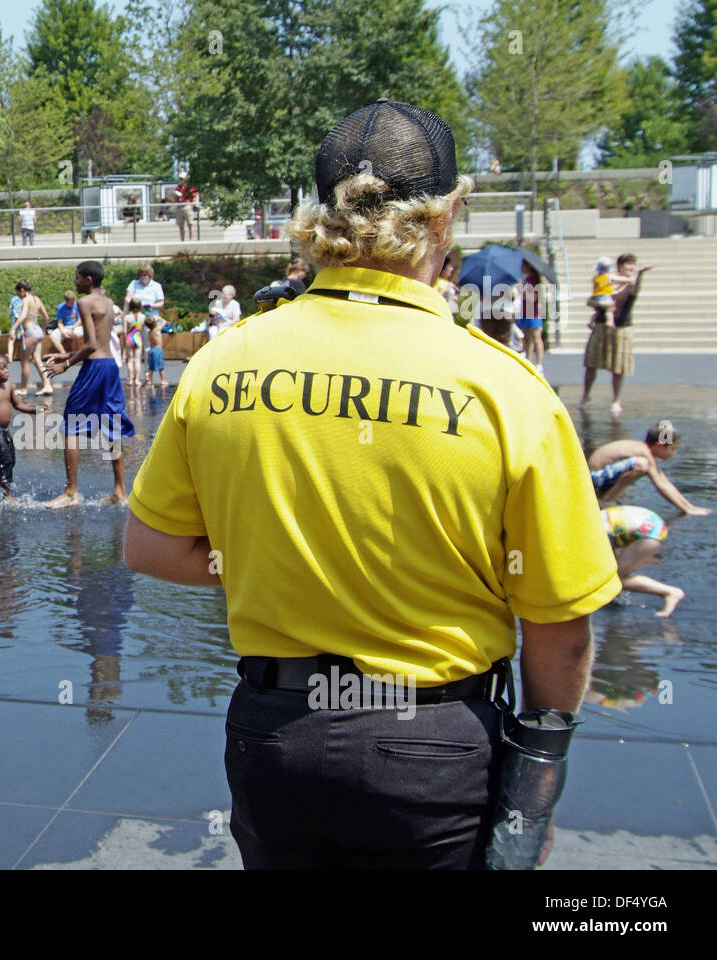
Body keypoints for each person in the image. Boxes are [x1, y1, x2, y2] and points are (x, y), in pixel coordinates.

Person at [123, 100, 620, 869]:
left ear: (322, 212)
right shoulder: (505, 390)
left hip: (276, 736)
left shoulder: (225, 362)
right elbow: (560, 623)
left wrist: (271, 561)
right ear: (449, 216)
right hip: (432, 746)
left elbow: (151, 547)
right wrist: (535, 787)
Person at [44, 260, 135, 508]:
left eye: (77, 277)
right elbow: (100, 342)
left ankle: (71, 491)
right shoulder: (107, 302)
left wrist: (66, 364)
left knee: (71, 425)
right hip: (110, 368)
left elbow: (91, 344)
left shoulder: (85, 302)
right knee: (111, 424)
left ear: (88, 279)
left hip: (94, 368)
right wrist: (67, 355)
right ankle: (119, 491)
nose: (75, 281)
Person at [579, 254, 652, 415]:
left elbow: (636, 288)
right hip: (601, 326)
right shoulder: (607, 280)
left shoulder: (631, 284)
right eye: (628, 264)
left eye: (633, 265)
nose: (631, 268)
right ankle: (586, 395)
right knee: (591, 364)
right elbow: (590, 300)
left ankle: (616, 400)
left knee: (618, 367)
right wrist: (599, 303)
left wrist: (641, 274)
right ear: (619, 266)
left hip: (622, 328)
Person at [587, 423, 711, 514]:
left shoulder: (643, 449)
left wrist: (689, 507)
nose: (674, 453)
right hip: (594, 480)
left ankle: (605, 499)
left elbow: (664, 482)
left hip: (597, 479)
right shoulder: (644, 453)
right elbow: (660, 486)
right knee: (642, 465)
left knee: (643, 465)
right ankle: (607, 500)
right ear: (659, 445)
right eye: (672, 449)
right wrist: (686, 509)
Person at [0, 353, 42, 500]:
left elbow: (18, 405)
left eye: (7, 368)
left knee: (10, 460)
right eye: (3, 368)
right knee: (4, 460)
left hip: (4, 431)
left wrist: (34, 410)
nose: (7, 371)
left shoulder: (9, 387)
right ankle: (7, 494)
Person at [602, 505, 685, 617]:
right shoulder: (586, 523)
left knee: (612, 579)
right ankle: (615, 596)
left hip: (648, 532)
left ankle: (669, 592)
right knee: (614, 574)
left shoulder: (588, 534)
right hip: (648, 521)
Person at [8, 280, 53, 396]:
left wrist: (13, 328)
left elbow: (23, 316)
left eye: (18, 293)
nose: (18, 296)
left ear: (22, 290)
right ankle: (47, 385)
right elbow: (46, 317)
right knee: (37, 359)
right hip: (37, 330)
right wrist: (42, 329)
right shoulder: (36, 299)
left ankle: (23, 388)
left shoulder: (26, 300)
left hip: (30, 332)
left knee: (24, 361)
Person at [514, 262, 545, 374]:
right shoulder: (528, 279)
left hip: (533, 313)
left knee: (536, 338)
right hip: (526, 312)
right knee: (528, 339)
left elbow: (533, 297)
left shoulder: (533, 279)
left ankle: (540, 364)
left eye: (523, 266)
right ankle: (529, 361)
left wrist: (522, 290)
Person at [50, 289, 83, 355]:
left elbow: (80, 320)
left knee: (77, 334)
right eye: (71, 303)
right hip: (65, 327)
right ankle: (64, 353)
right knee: (52, 336)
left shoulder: (77, 305)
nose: (73, 304)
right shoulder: (60, 308)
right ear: (66, 301)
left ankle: (76, 354)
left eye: (73, 302)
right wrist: (63, 332)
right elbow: (60, 323)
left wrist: (72, 328)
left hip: (76, 326)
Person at [122, 298, 145, 385]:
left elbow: (124, 331)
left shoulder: (127, 317)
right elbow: (142, 329)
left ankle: (131, 380)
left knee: (130, 360)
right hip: (138, 338)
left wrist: (125, 341)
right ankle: (137, 380)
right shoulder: (142, 317)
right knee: (137, 360)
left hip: (129, 338)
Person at [144, 311, 168, 388]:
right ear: (155, 323)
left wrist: (155, 320)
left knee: (151, 367)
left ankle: (149, 380)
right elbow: (164, 322)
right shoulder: (157, 329)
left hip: (151, 350)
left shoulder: (149, 332)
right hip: (157, 350)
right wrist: (159, 318)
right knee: (161, 367)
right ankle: (163, 380)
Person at [175, 172, 199, 242]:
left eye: (182, 179)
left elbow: (194, 196)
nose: (180, 180)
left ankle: (191, 239)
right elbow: (175, 197)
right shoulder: (178, 188)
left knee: (190, 224)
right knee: (180, 225)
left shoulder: (189, 187)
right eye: (179, 178)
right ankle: (182, 240)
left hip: (187, 206)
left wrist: (191, 206)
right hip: (179, 206)